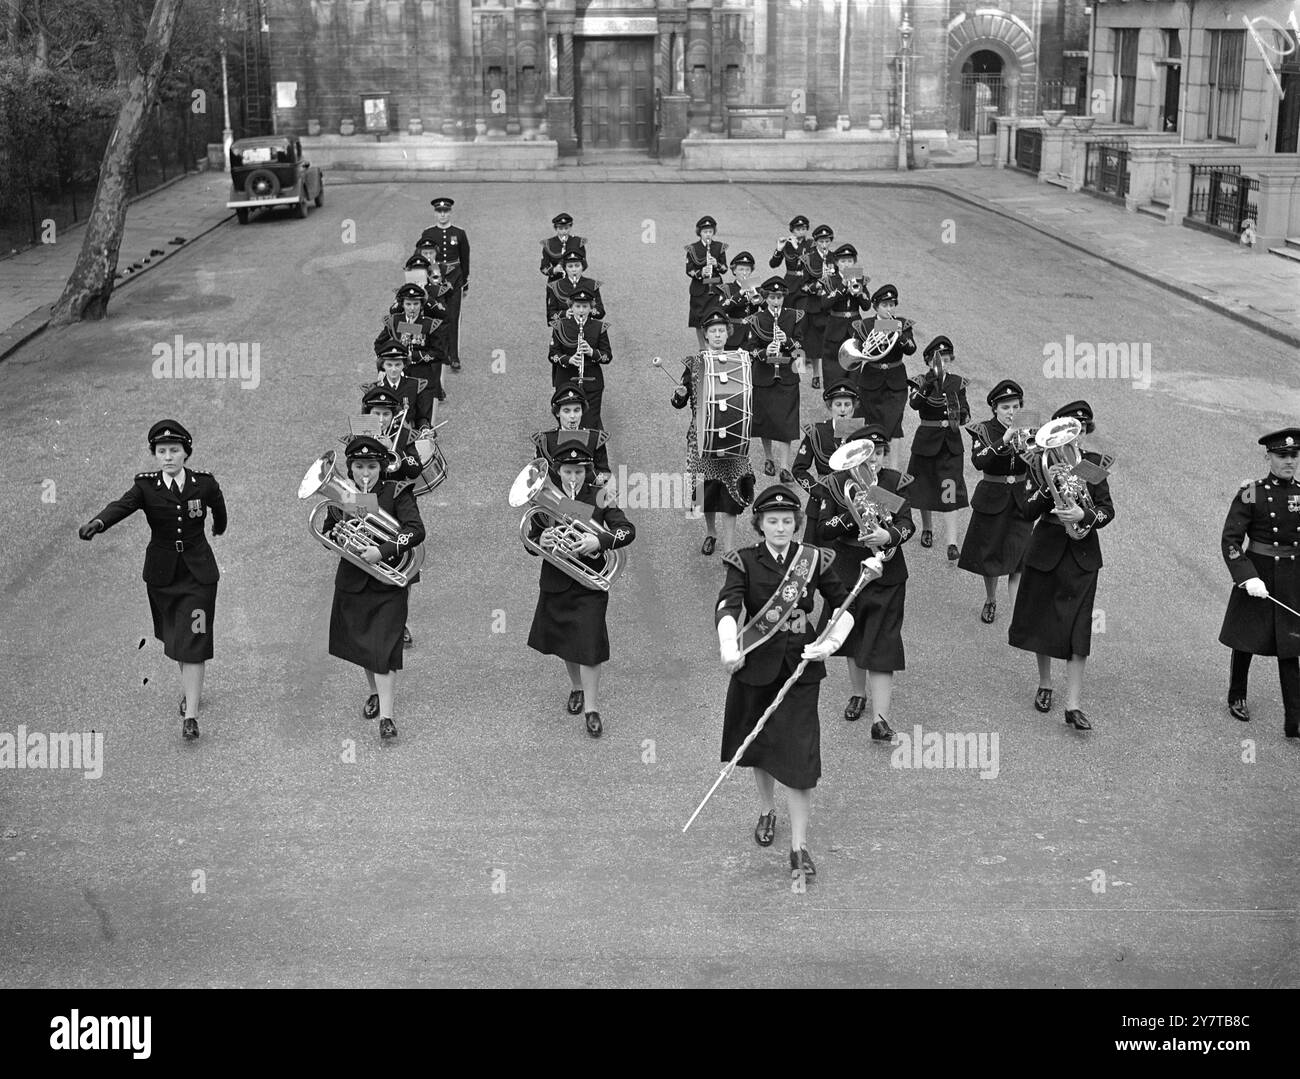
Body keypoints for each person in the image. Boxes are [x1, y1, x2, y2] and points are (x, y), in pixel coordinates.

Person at [715, 484, 874, 881]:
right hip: (755, 668)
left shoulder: (813, 559)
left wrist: (831, 641)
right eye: (773, 521)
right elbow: (728, 605)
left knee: (801, 760)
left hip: (802, 670)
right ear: (760, 524)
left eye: (788, 521)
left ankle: (799, 847)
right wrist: (728, 646)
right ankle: (768, 809)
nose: (781, 527)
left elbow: (843, 602)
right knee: (760, 747)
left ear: (797, 523)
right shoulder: (744, 561)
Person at [79, 421, 226, 740]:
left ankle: (191, 716)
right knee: (176, 639)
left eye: (175, 450)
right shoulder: (146, 487)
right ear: (155, 455)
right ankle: (190, 692)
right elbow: (123, 505)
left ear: (186, 452)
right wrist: (99, 522)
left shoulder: (204, 483)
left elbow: (218, 505)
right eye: (162, 452)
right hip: (162, 576)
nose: (169, 457)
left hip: (198, 575)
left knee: (194, 642)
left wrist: (220, 527)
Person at [1007, 400, 1115, 732]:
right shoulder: (1039, 462)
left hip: (1082, 554)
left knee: (1079, 628)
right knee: (1042, 621)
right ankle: (1045, 683)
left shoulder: (1092, 465)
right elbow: (1026, 510)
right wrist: (1046, 485)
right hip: (1046, 547)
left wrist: (1086, 515)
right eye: (1068, 429)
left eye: (1079, 430)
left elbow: (1108, 510)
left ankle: (1074, 705)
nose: (1073, 436)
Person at [804, 425, 913, 738]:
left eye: (878, 454)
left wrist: (888, 535)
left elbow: (908, 525)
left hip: (887, 572)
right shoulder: (837, 485)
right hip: (848, 570)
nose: (874, 460)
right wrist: (853, 513)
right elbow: (824, 530)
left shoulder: (892, 483)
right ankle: (858, 693)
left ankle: (880, 720)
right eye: (868, 454)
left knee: (883, 642)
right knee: (853, 636)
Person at [525, 444, 636, 738]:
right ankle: (576, 686)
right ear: (557, 472)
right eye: (566, 472)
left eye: (578, 471)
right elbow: (530, 540)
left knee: (588, 644)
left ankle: (592, 708)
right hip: (557, 579)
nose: (572, 477)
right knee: (565, 640)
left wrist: (599, 541)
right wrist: (543, 538)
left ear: (586, 471)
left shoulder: (599, 495)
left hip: (590, 581)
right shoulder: (545, 498)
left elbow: (627, 529)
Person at [325, 435, 426, 740]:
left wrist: (381, 551)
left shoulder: (397, 491)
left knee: (383, 646)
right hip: (354, 580)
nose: (365, 473)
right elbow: (330, 532)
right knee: (363, 643)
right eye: (358, 466)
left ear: (381, 467)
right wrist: (340, 539)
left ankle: (388, 716)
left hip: (387, 578)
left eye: (371, 466)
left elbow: (416, 531)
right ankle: (374, 692)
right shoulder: (343, 495)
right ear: (350, 468)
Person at [1219, 427, 1300, 737]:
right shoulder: (1252, 491)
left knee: (1291, 644)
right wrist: (1247, 576)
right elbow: (1231, 540)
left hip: (1292, 577)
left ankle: (1294, 717)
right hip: (1259, 572)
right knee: (1246, 638)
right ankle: (1237, 693)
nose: (1289, 461)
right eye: (1282, 455)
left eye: (1294, 455)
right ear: (1269, 457)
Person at [671, 309, 756, 555]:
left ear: (727, 334)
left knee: (732, 491)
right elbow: (678, 401)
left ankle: (729, 548)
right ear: (706, 336)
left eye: (721, 331)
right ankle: (711, 532)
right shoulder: (695, 364)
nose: (717, 335)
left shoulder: (740, 360)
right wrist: (680, 395)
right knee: (706, 490)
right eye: (712, 331)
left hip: (733, 434)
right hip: (702, 436)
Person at [957, 379, 1034, 624]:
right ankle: (990, 598)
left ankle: (1018, 614)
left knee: (1019, 559)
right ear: (995, 409)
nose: (1012, 412)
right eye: (1006, 408)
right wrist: (1005, 440)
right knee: (990, 558)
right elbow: (979, 461)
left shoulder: (1030, 427)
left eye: (1015, 407)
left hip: (1021, 498)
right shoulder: (983, 430)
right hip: (992, 498)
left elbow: (1037, 464)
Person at [905, 335, 970, 560]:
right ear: (928, 362)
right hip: (926, 441)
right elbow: (914, 404)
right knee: (925, 488)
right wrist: (929, 382)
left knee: (949, 490)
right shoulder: (920, 380)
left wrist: (959, 414)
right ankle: (927, 528)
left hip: (950, 444)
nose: (943, 362)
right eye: (937, 358)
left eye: (946, 357)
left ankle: (952, 543)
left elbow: (966, 415)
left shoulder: (958, 382)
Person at [744, 276, 806, 484]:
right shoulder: (757, 318)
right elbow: (749, 348)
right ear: (766, 297)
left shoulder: (794, 316)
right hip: (764, 374)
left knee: (786, 421)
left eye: (779, 297)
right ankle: (769, 458)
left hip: (787, 373)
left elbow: (801, 345)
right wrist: (763, 352)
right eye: (772, 297)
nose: (776, 301)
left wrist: (786, 341)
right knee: (766, 420)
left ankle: (785, 466)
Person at [849, 284, 916, 468]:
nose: (889, 309)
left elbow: (911, 349)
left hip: (896, 381)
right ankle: (862, 463)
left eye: (892, 305)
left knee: (894, 425)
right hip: (871, 378)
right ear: (876, 307)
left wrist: (900, 335)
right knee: (864, 421)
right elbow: (858, 349)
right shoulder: (866, 324)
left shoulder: (902, 324)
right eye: (885, 305)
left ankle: (893, 469)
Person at [374, 284, 445, 429]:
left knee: (423, 419)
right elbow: (379, 344)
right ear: (402, 304)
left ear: (421, 304)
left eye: (415, 304)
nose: (412, 308)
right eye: (408, 304)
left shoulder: (429, 324)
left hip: (421, 374)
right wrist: (385, 364)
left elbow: (439, 353)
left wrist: (416, 356)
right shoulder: (394, 321)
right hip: (397, 372)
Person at [547, 287, 612, 430]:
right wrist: (569, 360)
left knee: (590, 426)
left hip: (592, 384)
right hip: (566, 381)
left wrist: (591, 352)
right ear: (571, 307)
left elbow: (607, 357)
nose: (581, 310)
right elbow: (553, 354)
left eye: (585, 307)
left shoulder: (599, 327)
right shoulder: (560, 326)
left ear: (591, 308)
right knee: (567, 424)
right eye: (577, 306)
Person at [417, 196, 468, 371]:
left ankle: (454, 355)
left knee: (453, 317)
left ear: (450, 212)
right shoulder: (428, 233)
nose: (443, 215)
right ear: (435, 214)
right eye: (439, 212)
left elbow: (464, 258)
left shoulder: (459, 233)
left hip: (455, 278)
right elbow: (421, 257)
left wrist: (465, 281)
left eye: (445, 211)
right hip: (435, 278)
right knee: (438, 315)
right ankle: (441, 352)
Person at [532, 382, 612, 487]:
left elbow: (605, 474)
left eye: (577, 410)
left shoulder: (595, 439)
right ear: (557, 413)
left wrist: (586, 479)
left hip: (586, 496)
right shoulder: (544, 440)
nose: (572, 416)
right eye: (566, 411)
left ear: (582, 412)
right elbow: (536, 474)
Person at [817, 242, 872, 389]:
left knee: (853, 367)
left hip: (854, 328)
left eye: (849, 261)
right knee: (833, 368)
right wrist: (842, 286)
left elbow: (867, 306)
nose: (846, 264)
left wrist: (859, 293)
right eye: (843, 261)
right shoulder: (830, 280)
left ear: (854, 263)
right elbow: (824, 304)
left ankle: (852, 399)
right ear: (836, 263)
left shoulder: (859, 279)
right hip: (835, 327)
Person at [792, 379, 861, 495]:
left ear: (853, 407)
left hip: (855, 497)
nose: (843, 409)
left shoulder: (863, 433)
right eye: (838, 404)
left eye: (847, 404)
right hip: (825, 495)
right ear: (830, 407)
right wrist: (817, 491)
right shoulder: (816, 432)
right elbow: (798, 469)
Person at [795, 224, 835, 389]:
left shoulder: (836, 258)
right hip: (815, 305)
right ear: (816, 242)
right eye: (821, 241)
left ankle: (831, 375)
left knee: (831, 342)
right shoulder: (808, 259)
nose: (824, 244)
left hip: (832, 306)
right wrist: (818, 285)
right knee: (814, 342)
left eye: (827, 241)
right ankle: (816, 374)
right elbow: (802, 285)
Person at [685, 215, 727, 348]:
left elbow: (725, 268)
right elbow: (689, 270)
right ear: (700, 233)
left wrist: (717, 264)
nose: (708, 235)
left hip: (715, 288)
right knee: (699, 320)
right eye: (705, 232)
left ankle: (715, 345)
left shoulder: (719, 247)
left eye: (710, 231)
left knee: (715, 318)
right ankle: (702, 347)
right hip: (699, 289)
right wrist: (700, 273)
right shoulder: (692, 248)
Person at [715, 251, 763, 349]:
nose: (744, 273)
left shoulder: (757, 288)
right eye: (741, 269)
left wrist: (759, 298)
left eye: (747, 270)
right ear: (734, 271)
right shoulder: (728, 288)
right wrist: (740, 293)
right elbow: (720, 309)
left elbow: (768, 309)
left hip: (753, 333)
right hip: (734, 333)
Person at [546, 251, 606, 325]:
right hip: (564, 330)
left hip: (588, 330)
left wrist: (587, 311)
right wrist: (564, 314)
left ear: (582, 267)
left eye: (577, 266)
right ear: (565, 268)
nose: (574, 270)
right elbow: (550, 315)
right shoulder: (554, 286)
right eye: (570, 266)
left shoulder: (592, 284)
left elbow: (601, 312)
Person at [539, 212, 587, 292]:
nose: (564, 231)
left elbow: (584, 263)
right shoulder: (548, 244)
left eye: (566, 228)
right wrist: (554, 270)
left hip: (574, 282)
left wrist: (573, 270)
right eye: (560, 229)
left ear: (570, 227)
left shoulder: (578, 242)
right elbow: (543, 267)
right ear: (555, 229)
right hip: (555, 283)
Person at [768, 215, 811, 295]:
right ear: (792, 230)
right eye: (798, 229)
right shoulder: (787, 244)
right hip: (790, 282)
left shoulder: (811, 244)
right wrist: (779, 249)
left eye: (803, 229)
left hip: (806, 282)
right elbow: (773, 264)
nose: (801, 231)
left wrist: (797, 247)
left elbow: (810, 261)